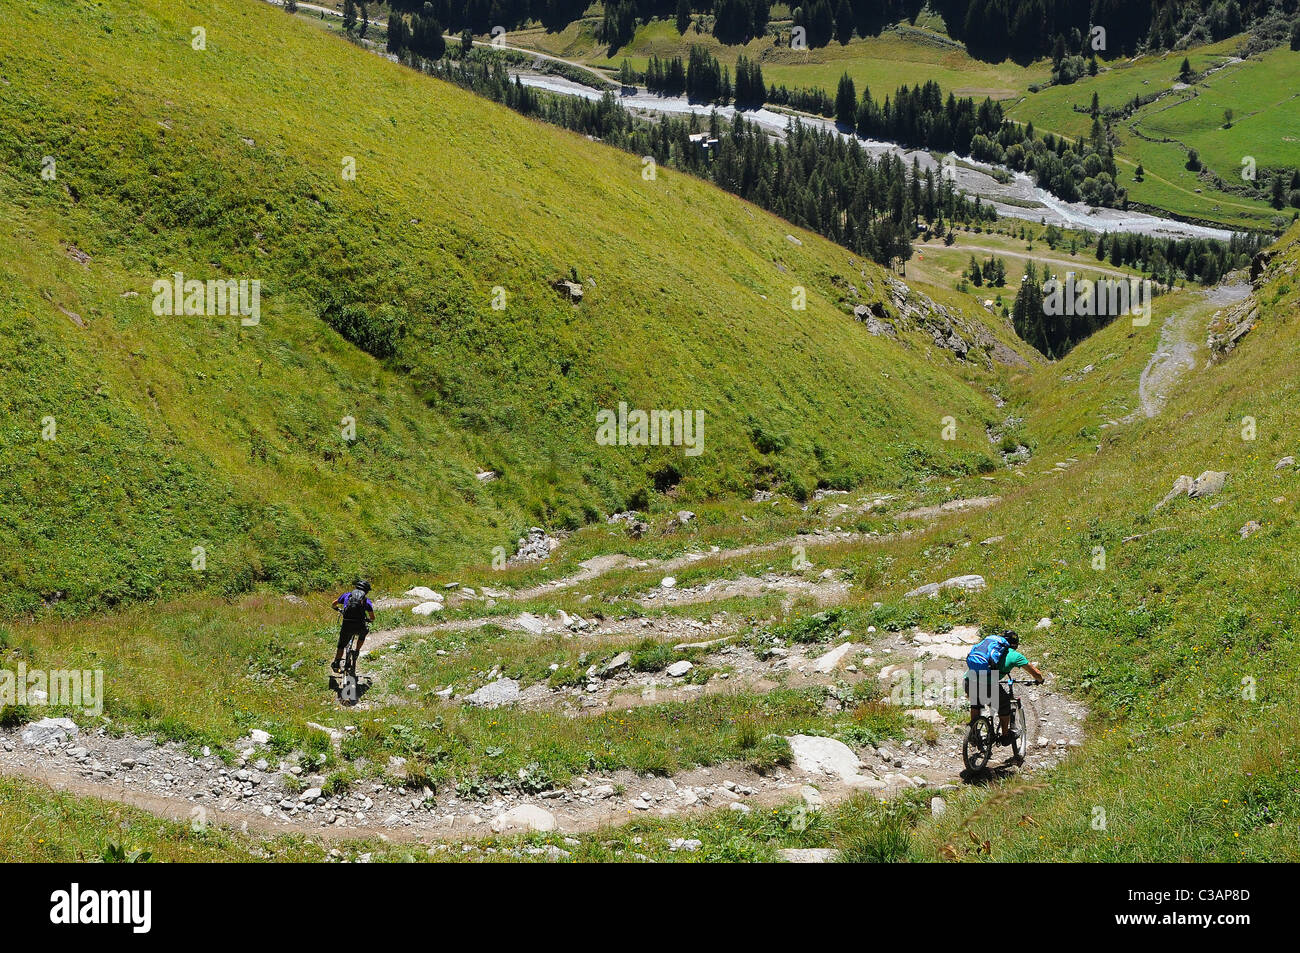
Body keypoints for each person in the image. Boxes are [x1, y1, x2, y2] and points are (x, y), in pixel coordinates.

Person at [965, 629, 1044, 745]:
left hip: (968, 680)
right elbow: (1035, 672)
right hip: (988, 685)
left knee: (976, 703)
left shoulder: (990, 647)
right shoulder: (1015, 655)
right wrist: (1040, 680)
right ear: (1015, 644)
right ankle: (1005, 736)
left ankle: (973, 732)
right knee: (1004, 705)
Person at [331, 579, 375, 674]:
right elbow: (372, 617)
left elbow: (333, 604)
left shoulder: (347, 595)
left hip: (347, 624)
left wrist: (338, 609)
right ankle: (357, 651)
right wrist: (369, 620)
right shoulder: (366, 601)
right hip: (359, 625)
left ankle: (336, 662)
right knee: (363, 633)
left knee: (341, 645)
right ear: (366, 591)